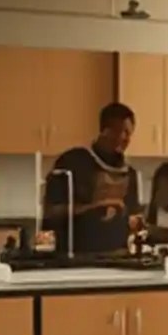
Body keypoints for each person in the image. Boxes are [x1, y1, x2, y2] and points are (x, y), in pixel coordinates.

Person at [43, 102, 142, 254]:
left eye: (128, 133)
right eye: (116, 131)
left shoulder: (130, 173)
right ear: (103, 130)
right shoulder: (72, 162)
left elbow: (132, 219)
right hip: (76, 256)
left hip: (119, 258)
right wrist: (92, 208)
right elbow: (50, 213)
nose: (122, 137)